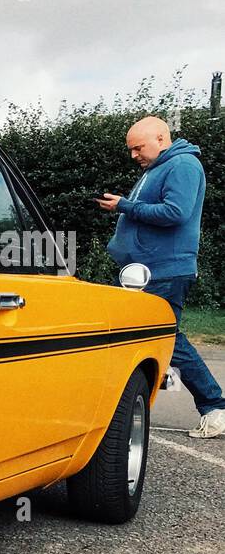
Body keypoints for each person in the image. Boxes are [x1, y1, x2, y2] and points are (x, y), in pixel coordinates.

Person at [100, 116, 225, 439]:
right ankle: (147, 397)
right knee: (148, 334)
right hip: (147, 270)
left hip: (164, 269)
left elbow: (175, 212)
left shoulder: (182, 165)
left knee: (167, 336)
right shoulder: (158, 168)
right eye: (130, 150)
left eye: (138, 148)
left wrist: (125, 206)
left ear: (160, 138)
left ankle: (215, 406)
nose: (133, 155)